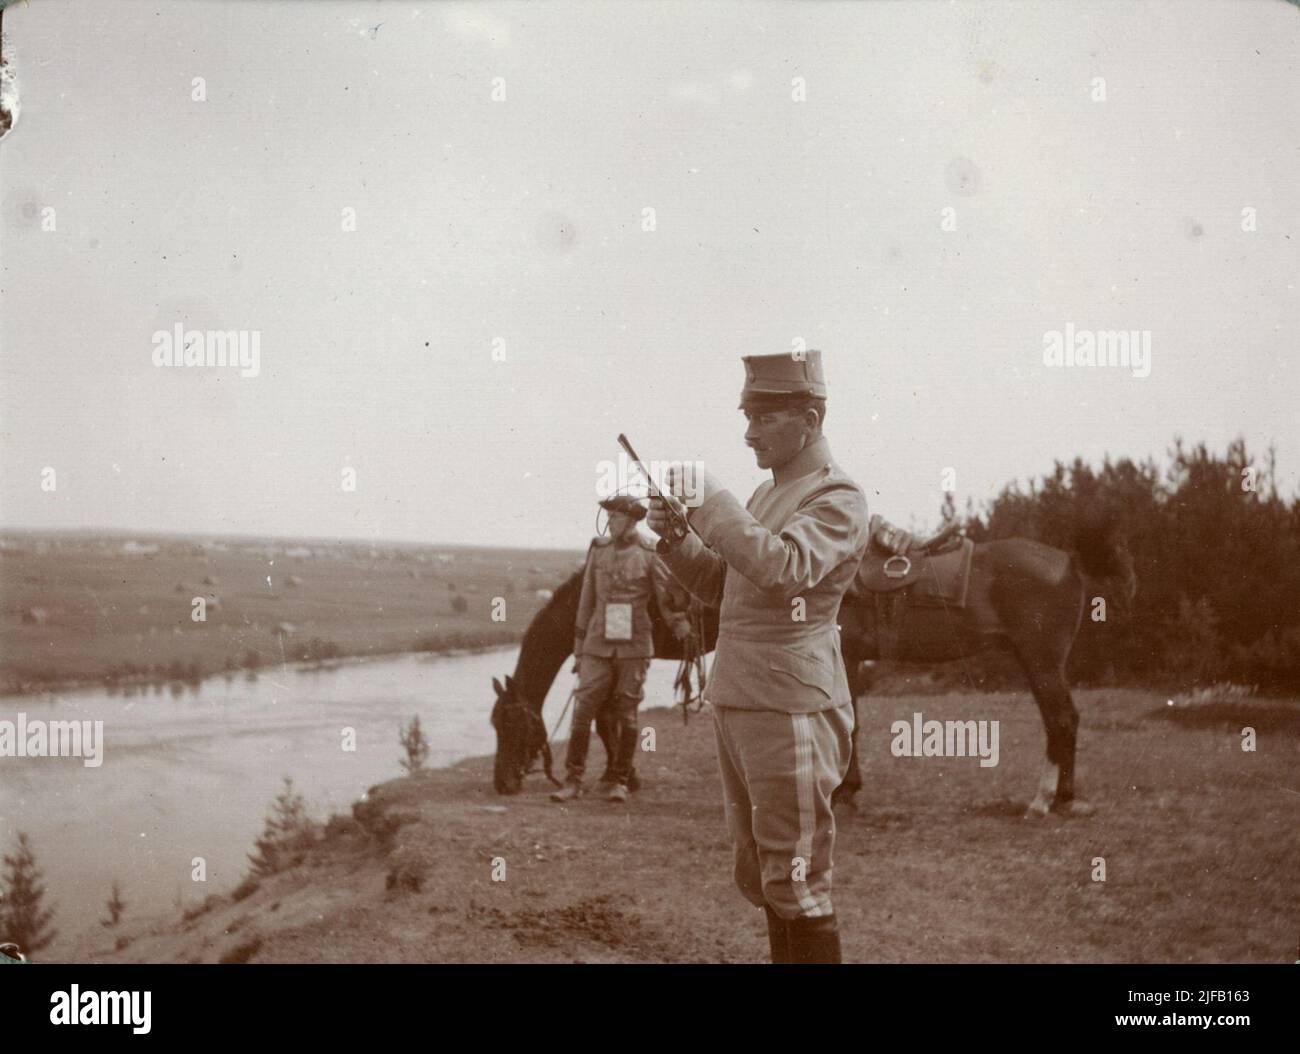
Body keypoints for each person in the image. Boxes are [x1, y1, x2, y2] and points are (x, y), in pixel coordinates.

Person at [645, 350, 869, 964]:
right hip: (744, 698)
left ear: (812, 418)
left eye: (763, 418)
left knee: (796, 877)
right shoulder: (766, 495)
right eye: (747, 417)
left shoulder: (839, 497)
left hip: (789, 706)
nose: (748, 434)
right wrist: (678, 537)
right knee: (765, 873)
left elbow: (783, 570)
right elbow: (727, 588)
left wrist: (712, 503)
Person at [552, 495, 692, 803]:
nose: (609, 523)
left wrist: (681, 626)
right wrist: (578, 647)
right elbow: (586, 600)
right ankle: (572, 780)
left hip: (635, 647)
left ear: (630, 521)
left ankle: (618, 780)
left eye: (614, 518)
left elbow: (666, 598)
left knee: (627, 715)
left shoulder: (650, 553)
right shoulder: (598, 551)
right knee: (582, 711)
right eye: (609, 517)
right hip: (597, 645)